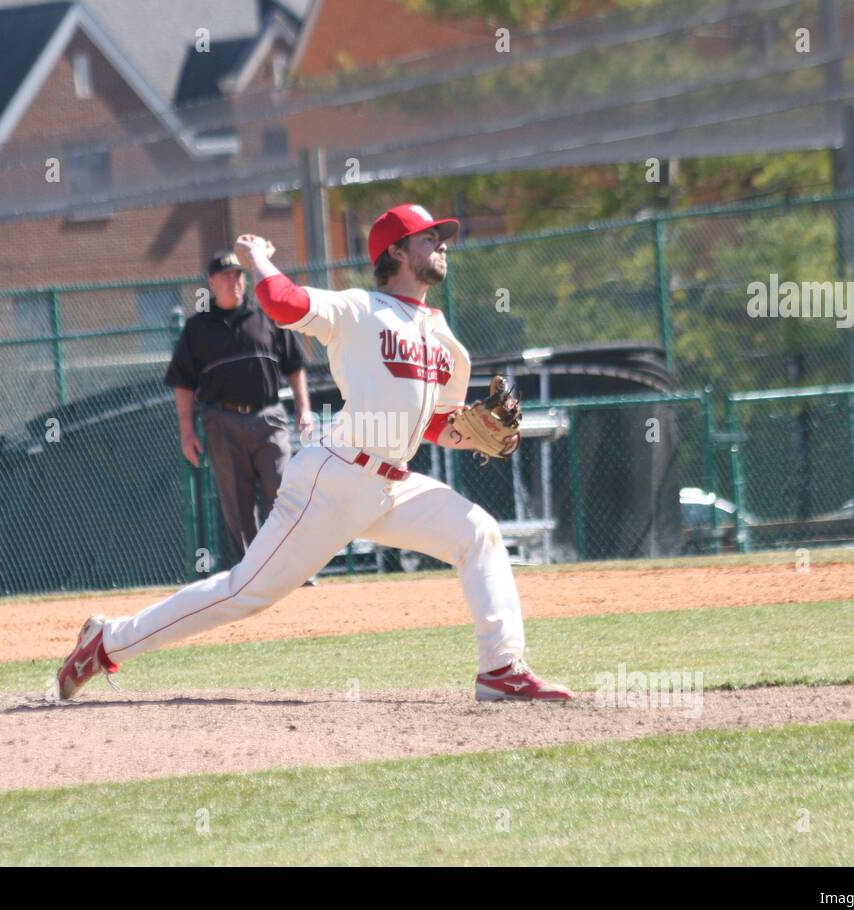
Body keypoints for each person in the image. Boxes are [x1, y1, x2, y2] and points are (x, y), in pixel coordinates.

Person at [58, 204, 571, 703]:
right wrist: (256, 257)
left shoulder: (441, 338)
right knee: (244, 593)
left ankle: (502, 669)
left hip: (392, 484)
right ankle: (107, 641)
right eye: (428, 238)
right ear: (395, 251)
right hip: (336, 476)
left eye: (441, 238)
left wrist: (474, 434)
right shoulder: (357, 308)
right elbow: (283, 304)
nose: (441, 245)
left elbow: (437, 423)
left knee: (478, 532)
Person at [165, 251, 314, 569]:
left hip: (269, 417)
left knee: (284, 489)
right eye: (226, 276)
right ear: (211, 282)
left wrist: (304, 408)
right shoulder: (198, 328)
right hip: (222, 421)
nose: (234, 281)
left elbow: (294, 365)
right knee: (237, 503)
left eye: (239, 275)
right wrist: (187, 431)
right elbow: (183, 383)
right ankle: (253, 572)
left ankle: (296, 568)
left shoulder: (267, 318)